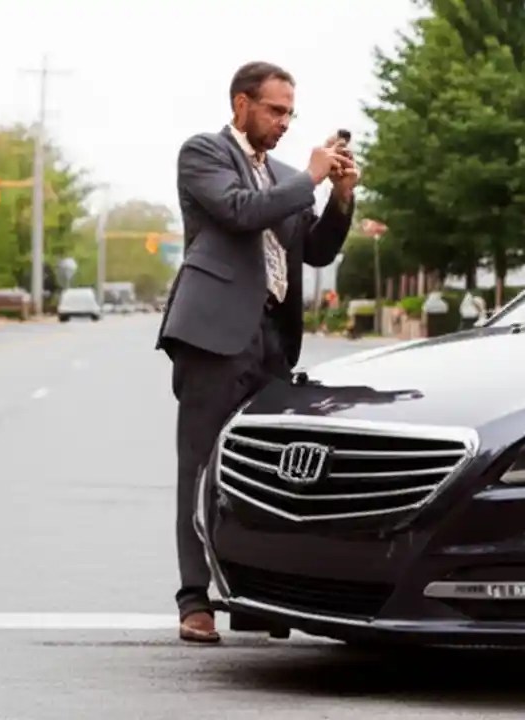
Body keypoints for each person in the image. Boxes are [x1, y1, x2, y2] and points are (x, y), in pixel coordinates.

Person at [154, 60, 358, 643]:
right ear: (242, 104)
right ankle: (195, 599)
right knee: (200, 468)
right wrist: (312, 179)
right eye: (275, 109)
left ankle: (257, 597)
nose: (285, 122)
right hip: (213, 335)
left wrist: (340, 197)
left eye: (291, 112)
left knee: (265, 471)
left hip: (273, 340)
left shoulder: (293, 176)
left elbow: (316, 252)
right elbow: (241, 211)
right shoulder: (204, 154)